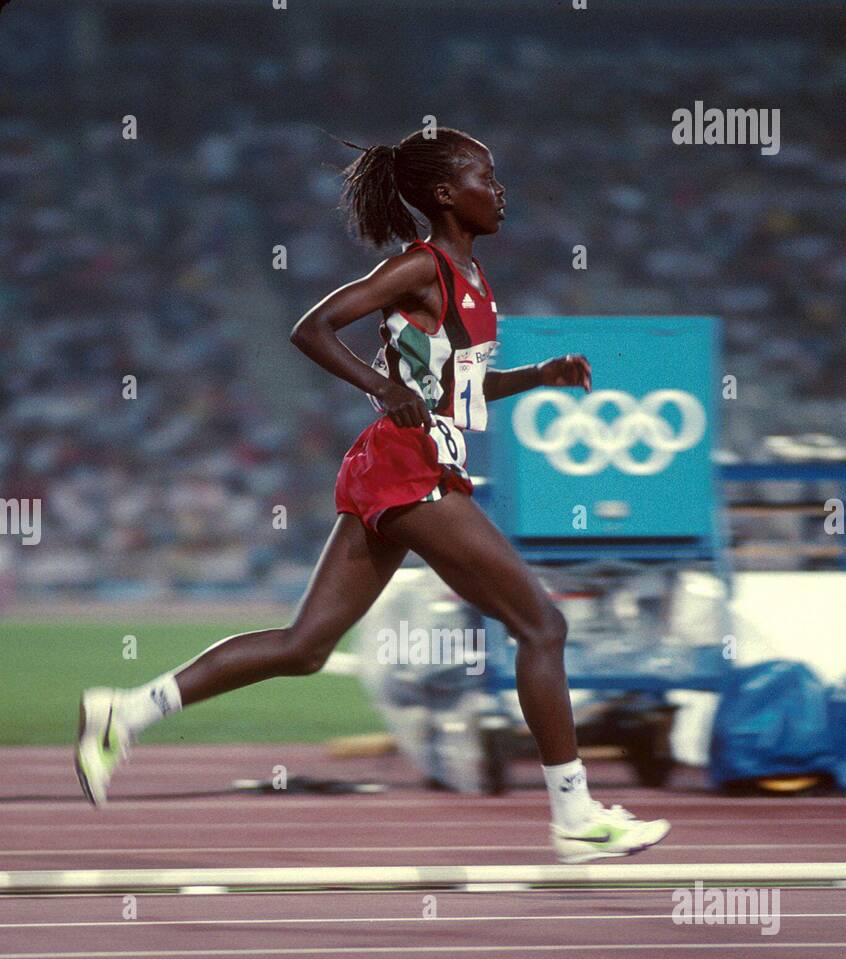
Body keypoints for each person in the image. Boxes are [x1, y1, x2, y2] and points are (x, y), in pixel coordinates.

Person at [75, 126, 669, 862]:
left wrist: (538, 376)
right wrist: (380, 386)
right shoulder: (421, 267)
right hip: (408, 467)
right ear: (447, 195)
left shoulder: (473, 280)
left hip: (408, 466)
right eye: (486, 176)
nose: (502, 189)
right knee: (542, 627)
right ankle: (575, 818)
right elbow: (311, 327)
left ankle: (125, 711)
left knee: (305, 647)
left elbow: (458, 390)